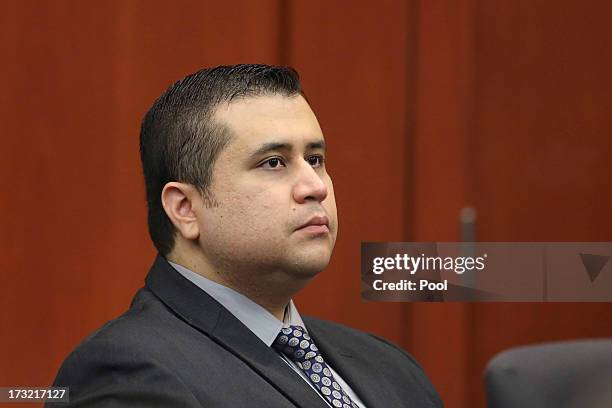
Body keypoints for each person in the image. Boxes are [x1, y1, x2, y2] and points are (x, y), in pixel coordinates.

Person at [47, 65, 443, 408]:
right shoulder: (126, 373)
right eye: (273, 163)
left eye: (316, 159)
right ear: (185, 208)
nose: (314, 186)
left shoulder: (389, 365)